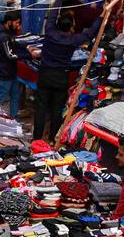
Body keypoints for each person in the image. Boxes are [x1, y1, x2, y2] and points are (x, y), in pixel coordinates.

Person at [34, 11, 100, 141]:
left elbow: (52, 16)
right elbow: (90, 33)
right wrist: (102, 15)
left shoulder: (50, 32)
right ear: (70, 27)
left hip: (45, 75)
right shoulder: (72, 40)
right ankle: (53, 139)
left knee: (41, 108)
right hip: (60, 77)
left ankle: (36, 138)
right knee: (56, 110)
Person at [0, 10, 24, 119]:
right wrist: (29, 55)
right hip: (4, 72)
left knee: (15, 96)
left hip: (11, 71)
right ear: (9, 22)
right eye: (17, 22)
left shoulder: (7, 32)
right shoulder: (3, 37)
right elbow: (10, 55)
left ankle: (13, 118)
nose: (18, 25)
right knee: (1, 98)